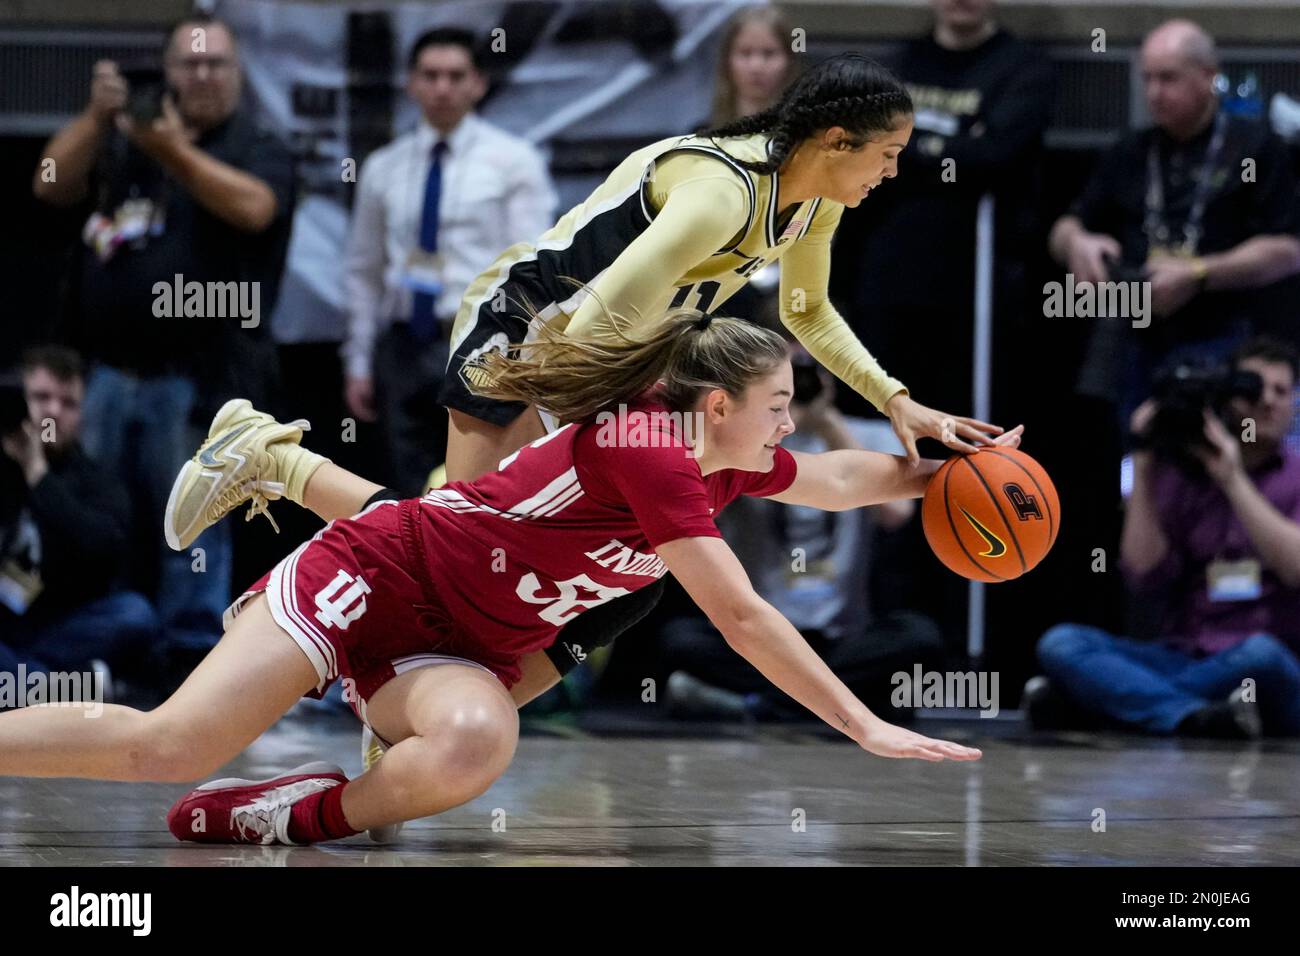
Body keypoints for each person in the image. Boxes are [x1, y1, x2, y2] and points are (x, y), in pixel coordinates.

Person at [0, 310, 1025, 845]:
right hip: (375, 575)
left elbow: (840, 474)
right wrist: (861, 723)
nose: (790, 420)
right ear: (713, 405)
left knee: (481, 737)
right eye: (778, 399)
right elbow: (745, 616)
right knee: (166, 747)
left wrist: (950, 461)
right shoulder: (645, 446)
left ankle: (286, 812)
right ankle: (275, 502)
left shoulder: (725, 457)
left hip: (449, 636)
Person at [31, 13, 295, 663]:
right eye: (189, 63)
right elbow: (46, 185)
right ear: (168, 71)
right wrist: (98, 120)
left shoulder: (256, 143)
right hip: (108, 376)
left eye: (216, 64)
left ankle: (190, 665)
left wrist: (173, 149)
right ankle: (102, 648)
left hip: (198, 382)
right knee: (99, 523)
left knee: (193, 531)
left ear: (237, 73)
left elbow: (255, 208)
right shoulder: (123, 141)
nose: (202, 76)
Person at [656, 344, 944, 721]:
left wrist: (827, 423)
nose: (800, 386)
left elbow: (895, 513)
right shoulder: (742, 440)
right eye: (787, 379)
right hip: (760, 633)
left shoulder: (869, 437)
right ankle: (846, 705)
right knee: (681, 638)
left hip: (842, 635)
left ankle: (756, 706)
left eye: (811, 372)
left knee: (916, 637)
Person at [1030, 336, 1300, 738]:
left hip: (1267, 659)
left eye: (1281, 391)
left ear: (1294, 404)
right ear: (1226, 395)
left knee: (1262, 657)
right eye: (1252, 386)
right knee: (1062, 643)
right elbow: (1142, 575)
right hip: (1183, 655)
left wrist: (1232, 478)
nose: (1267, 400)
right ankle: (1193, 716)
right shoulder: (1180, 472)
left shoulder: (1296, 473)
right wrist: (1142, 457)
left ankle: (1107, 704)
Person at [1050, 19, 1300, 427]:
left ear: (1208, 77)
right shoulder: (1130, 149)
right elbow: (1064, 227)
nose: (1153, 93)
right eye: (1147, 78)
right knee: (1132, 456)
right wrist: (1078, 242)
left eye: (1168, 79)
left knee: (1214, 453)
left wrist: (1198, 274)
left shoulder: (1254, 148)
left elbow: (1288, 251)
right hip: (1133, 335)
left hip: (1223, 335)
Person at [342, 27, 557, 493]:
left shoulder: (514, 161)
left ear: (478, 83)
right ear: (411, 83)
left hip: (482, 342)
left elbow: (532, 266)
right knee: (399, 488)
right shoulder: (382, 167)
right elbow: (364, 269)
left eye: (455, 75)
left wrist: (524, 358)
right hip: (402, 344)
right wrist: (357, 359)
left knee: (475, 485)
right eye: (430, 75)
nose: (442, 87)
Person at [0, 347, 158, 693]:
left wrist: (37, 472)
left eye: (68, 403)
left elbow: (101, 548)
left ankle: (24, 689)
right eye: (41, 397)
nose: (53, 411)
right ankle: (64, 690)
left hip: (59, 626)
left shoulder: (98, 480)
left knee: (134, 614)